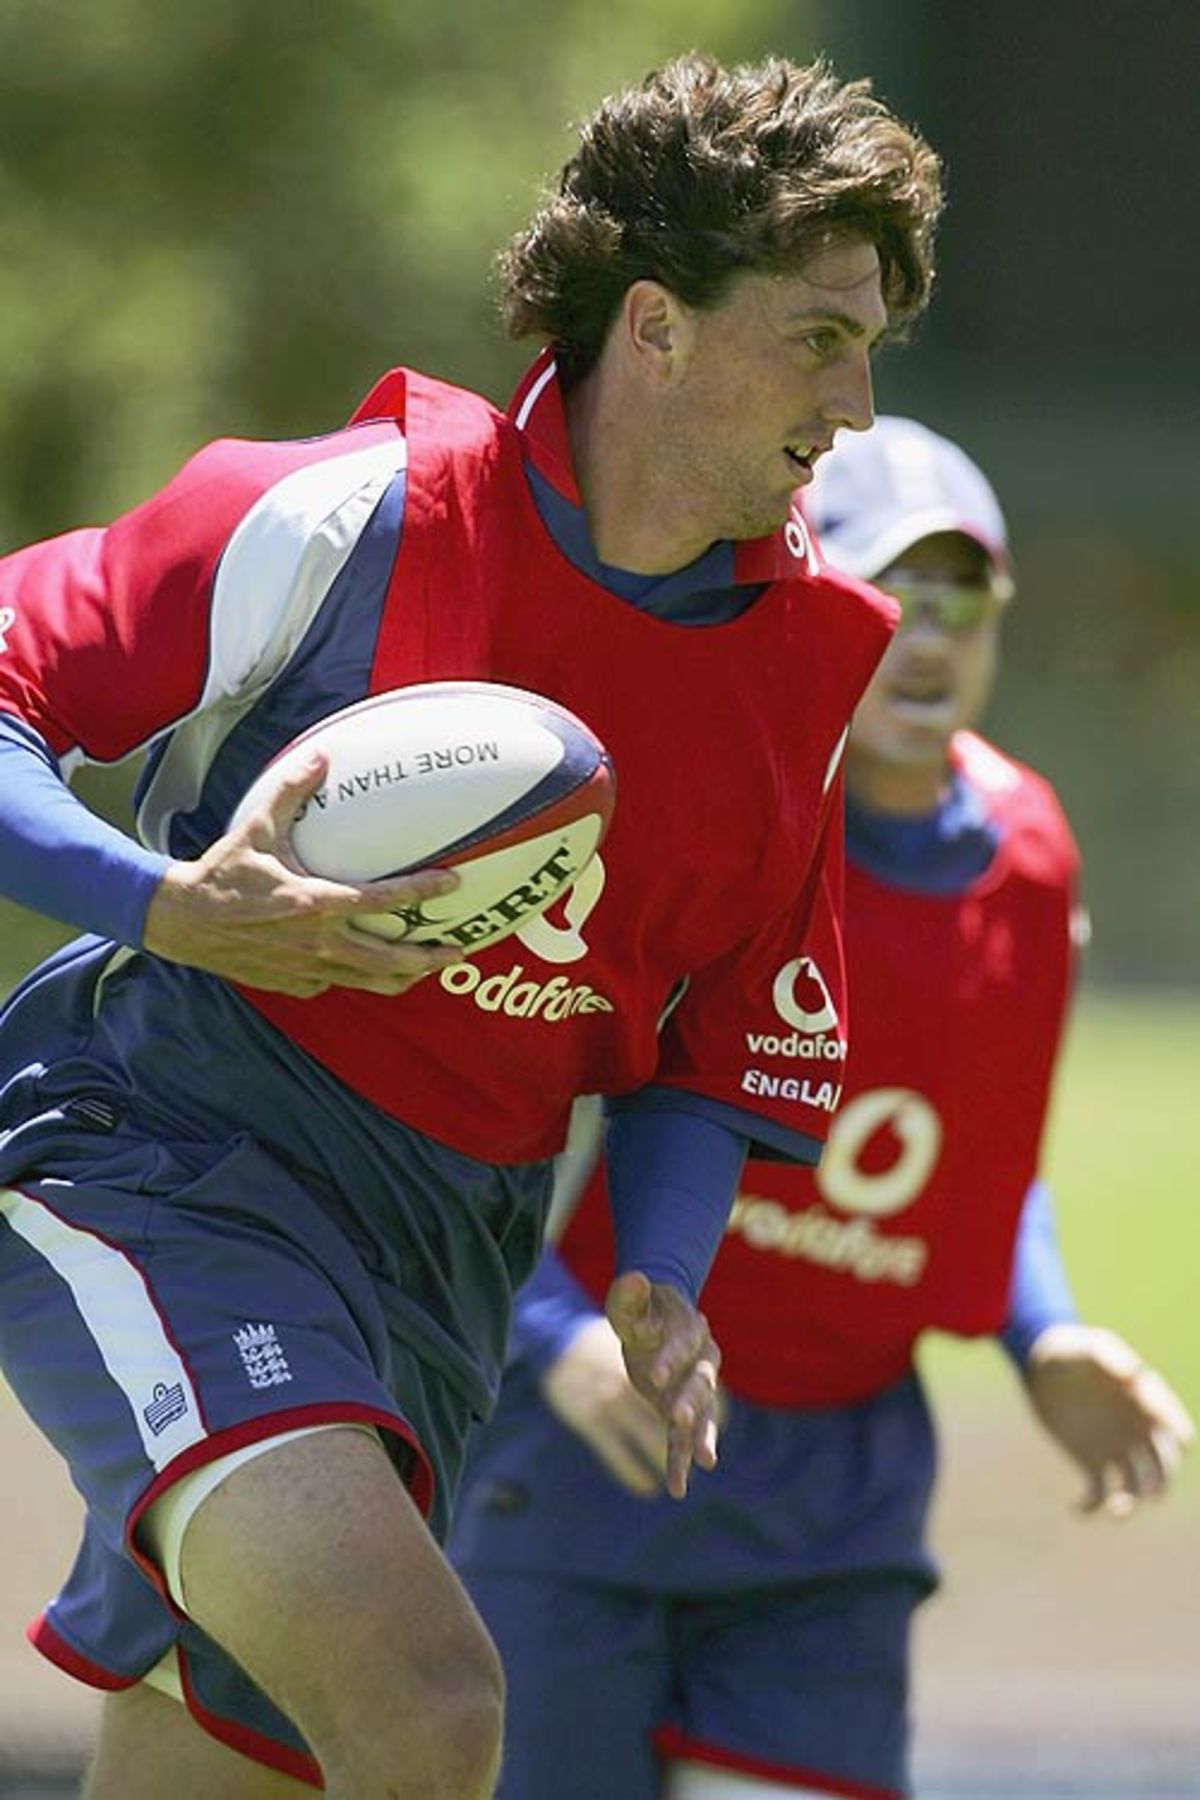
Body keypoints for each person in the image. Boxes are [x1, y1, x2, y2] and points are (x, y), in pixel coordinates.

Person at [0, 53, 944, 1800]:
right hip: (162, 1152)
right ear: (653, 325)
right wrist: (171, 907)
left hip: (444, 1263)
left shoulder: (810, 665)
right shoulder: (347, 512)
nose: (863, 402)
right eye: (821, 336)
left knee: (226, 1768)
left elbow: (717, 1045)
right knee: (430, 1706)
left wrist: (661, 1267)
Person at [447, 417, 1196, 1800]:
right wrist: (552, 1336)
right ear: (805, 611)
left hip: (836, 1497)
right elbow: (496, 1118)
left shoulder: (1028, 859)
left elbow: (983, 1162)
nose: (923, 636)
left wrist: (1046, 1338)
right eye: (883, 596)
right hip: (595, 1450)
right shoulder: (700, 813)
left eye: (959, 596)